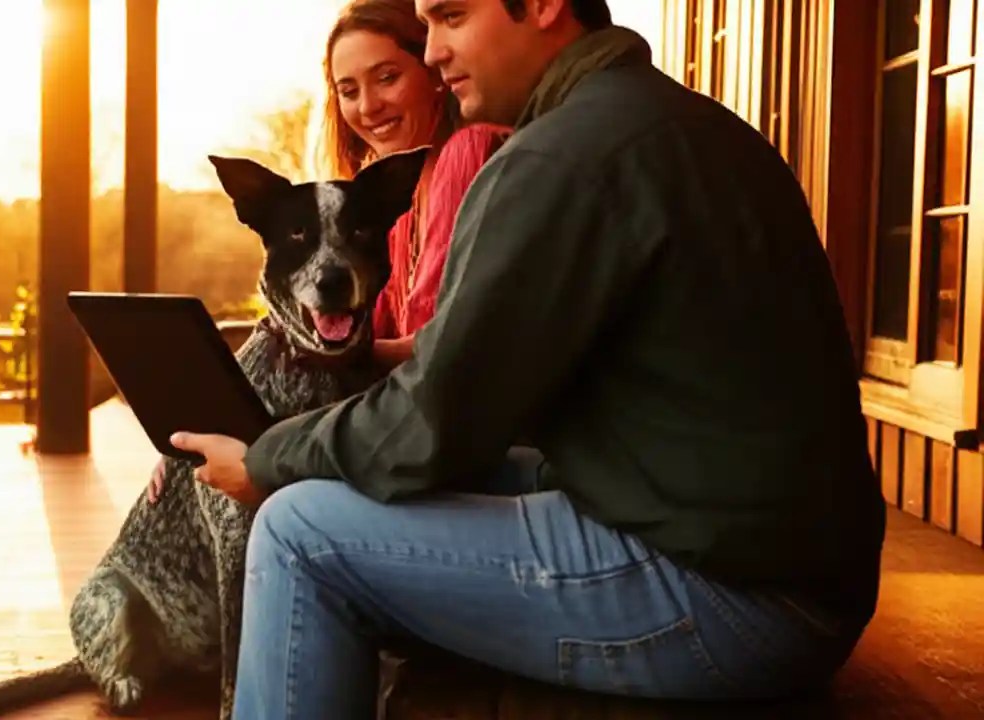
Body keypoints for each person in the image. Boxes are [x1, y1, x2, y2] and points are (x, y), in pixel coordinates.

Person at [173, 0, 888, 717]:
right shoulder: (681, 124)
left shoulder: (563, 156)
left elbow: (432, 420)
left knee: (300, 529)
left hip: (729, 597)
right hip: (769, 560)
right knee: (423, 479)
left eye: (451, 17)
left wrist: (266, 459)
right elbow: (467, 404)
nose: (433, 53)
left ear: (544, 6)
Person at [146, 0, 510, 503]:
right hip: (411, 434)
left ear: (432, 73)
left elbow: (435, 348)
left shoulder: (463, 157)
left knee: (274, 504)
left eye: (387, 78)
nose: (368, 106)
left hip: (457, 449)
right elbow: (356, 349)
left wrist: (291, 355)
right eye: (349, 90)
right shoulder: (380, 211)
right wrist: (199, 432)